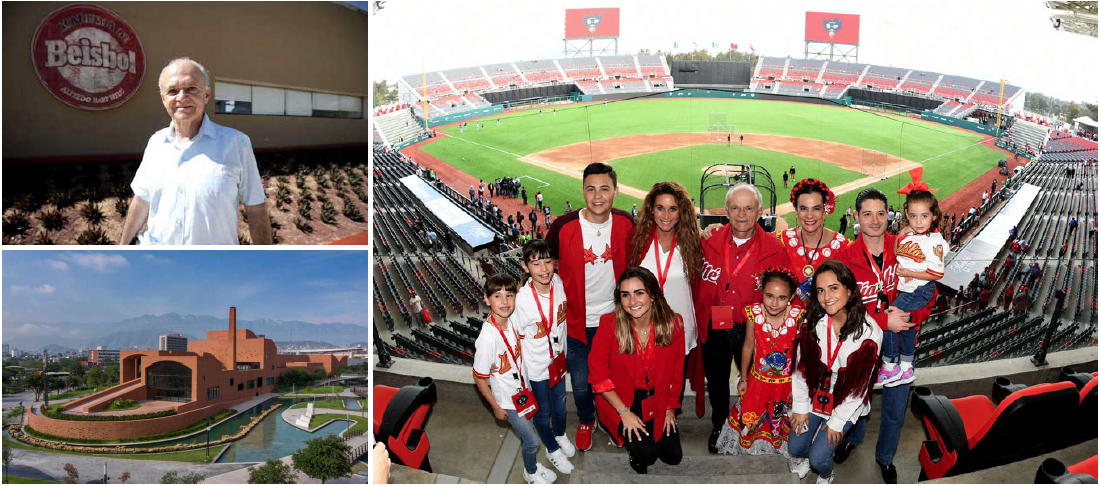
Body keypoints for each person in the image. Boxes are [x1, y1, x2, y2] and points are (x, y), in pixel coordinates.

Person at [828, 188, 936, 483]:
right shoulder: (845, 258)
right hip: (861, 342)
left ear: (889, 215)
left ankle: (885, 457)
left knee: (894, 406)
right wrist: (881, 320)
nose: (875, 220)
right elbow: (836, 307)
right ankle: (853, 438)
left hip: (900, 343)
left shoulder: (908, 245)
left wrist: (910, 319)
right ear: (857, 217)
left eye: (881, 213)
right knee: (855, 400)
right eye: (867, 214)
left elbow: (930, 292)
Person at [120, 58, 270, 245]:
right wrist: (122, 247)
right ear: (163, 99)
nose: (182, 97)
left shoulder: (236, 143)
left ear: (206, 94)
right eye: (172, 91)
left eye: (191, 89)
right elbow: (141, 200)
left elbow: (256, 207)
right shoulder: (156, 142)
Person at [694, 184, 792, 453]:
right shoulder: (708, 241)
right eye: (735, 207)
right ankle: (719, 425)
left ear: (759, 212)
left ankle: (753, 426)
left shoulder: (774, 247)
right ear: (725, 211)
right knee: (716, 383)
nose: (741, 214)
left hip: (753, 331)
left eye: (748, 208)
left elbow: (784, 292)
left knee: (753, 383)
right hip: (716, 325)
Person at [546, 163, 634, 451]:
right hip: (576, 325)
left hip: (615, 321)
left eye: (605, 189)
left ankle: (611, 421)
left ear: (615, 191)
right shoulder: (563, 226)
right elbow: (543, 265)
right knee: (582, 384)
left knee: (616, 380)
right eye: (591, 189)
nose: (598, 196)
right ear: (583, 191)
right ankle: (586, 419)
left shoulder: (625, 223)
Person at [788, 260, 883, 484]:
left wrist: (836, 422)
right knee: (795, 447)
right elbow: (801, 370)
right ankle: (805, 456)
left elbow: (859, 390)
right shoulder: (812, 321)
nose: (826, 297)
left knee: (819, 458)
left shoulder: (870, 334)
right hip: (815, 397)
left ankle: (826, 474)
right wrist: (801, 408)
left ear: (849, 291)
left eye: (833, 288)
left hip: (845, 403)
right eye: (820, 290)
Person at [588, 267, 685, 474]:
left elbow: (677, 372)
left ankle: (644, 434)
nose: (632, 301)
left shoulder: (674, 324)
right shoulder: (608, 325)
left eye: (639, 292)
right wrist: (624, 413)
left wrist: (670, 407)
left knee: (673, 456)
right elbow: (598, 378)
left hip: (657, 397)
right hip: (623, 399)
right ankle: (625, 439)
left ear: (652, 294)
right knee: (647, 456)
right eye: (625, 295)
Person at [473, 274, 557, 484]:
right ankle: (530, 473)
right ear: (486, 299)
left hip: (522, 392)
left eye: (509, 296)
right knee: (531, 442)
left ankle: (532, 466)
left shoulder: (511, 322)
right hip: (507, 402)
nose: (504, 302)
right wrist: (494, 406)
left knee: (527, 436)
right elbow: (479, 377)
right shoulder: (488, 339)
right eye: (497, 296)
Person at [628, 182, 704, 412]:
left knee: (673, 388)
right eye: (660, 208)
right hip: (643, 328)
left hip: (679, 330)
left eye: (673, 209)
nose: (666, 215)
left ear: (682, 212)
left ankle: (666, 427)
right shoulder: (637, 240)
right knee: (642, 387)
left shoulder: (693, 242)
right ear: (651, 209)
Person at [715, 268, 803, 455]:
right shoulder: (753, 313)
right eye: (769, 296)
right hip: (758, 381)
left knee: (779, 417)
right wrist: (744, 377)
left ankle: (777, 444)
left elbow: (801, 354)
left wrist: (799, 386)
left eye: (782, 298)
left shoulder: (798, 316)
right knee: (751, 416)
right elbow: (747, 346)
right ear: (762, 291)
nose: (774, 303)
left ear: (792, 297)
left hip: (786, 384)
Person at [512, 240, 575, 475]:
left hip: (558, 362)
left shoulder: (557, 282)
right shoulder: (522, 300)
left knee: (560, 408)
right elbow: (516, 340)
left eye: (548, 262)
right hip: (537, 369)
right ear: (525, 266)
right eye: (536, 263)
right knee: (543, 412)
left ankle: (559, 434)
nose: (544, 268)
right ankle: (551, 448)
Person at [878, 185, 946, 387]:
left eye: (924, 216)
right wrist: (903, 232)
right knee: (906, 326)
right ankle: (907, 366)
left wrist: (909, 273)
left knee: (890, 319)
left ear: (933, 216)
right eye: (914, 216)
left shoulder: (934, 241)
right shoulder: (913, 234)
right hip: (910, 287)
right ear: (907, 214)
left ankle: (890, 366)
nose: (918, 222)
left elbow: (937, 273)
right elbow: (899, 250)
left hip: (920, 289)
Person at [777, 179, 849, 302]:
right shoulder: (779, 241)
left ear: (824, 211)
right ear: (796, 212)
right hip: (787, 319)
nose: (809, 215)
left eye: (816, 208)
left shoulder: (844, 246)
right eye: (803, 208)